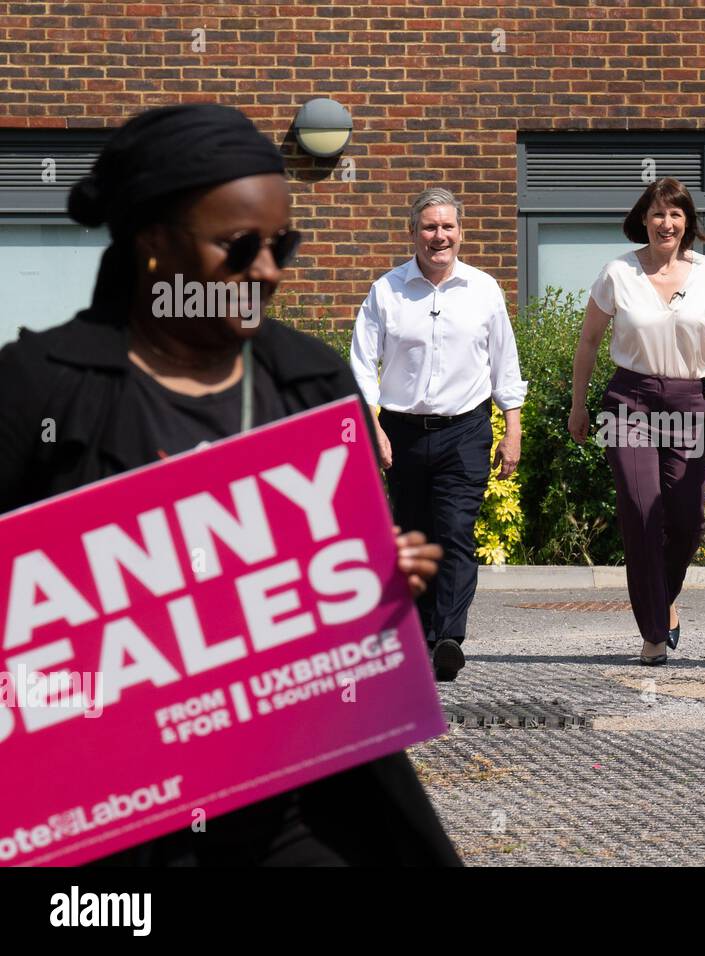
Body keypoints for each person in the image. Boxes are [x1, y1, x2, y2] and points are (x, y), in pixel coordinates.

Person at [0, 104, 461, 866]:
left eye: (282, 245)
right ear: (152, 240)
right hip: (101, 817)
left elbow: (352, 600)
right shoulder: (37, 391)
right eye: (238, 246)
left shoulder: (311, 382)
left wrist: (381, 581)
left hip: (294, 804)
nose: (268, 272)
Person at [351, 187, 527, 683]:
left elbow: (505, 367)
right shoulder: (386, 291)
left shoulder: (483, 290)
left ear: (460, 232)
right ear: (413, 233)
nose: (439, 236)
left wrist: (510, 430)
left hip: (465, 429)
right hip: (401, 432)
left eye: (447, 226)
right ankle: (423, 634)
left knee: (454, 532)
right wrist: (374, 427)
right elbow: (363, 366)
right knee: (413, 535)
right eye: (429, 227)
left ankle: (447, 638)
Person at [568, 177, 705, 666]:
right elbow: (589, 343)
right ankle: (653, 633)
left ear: (688, 222)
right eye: (658, 214)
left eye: (677, 214)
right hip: (630, 401)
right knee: (641, 511)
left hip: (689, 401)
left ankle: (663, 599)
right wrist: (579, 406)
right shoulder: (617, 273)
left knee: (687, 521)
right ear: (643, 219)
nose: (667, 223)